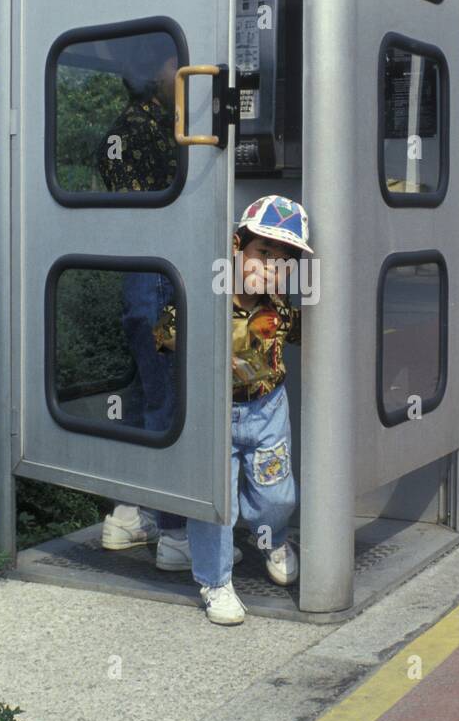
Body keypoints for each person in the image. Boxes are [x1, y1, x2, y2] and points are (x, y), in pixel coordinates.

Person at [152, 194, 312, 625]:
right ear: (236, 247)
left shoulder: (279, 307)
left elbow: (305, 332)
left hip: (267, 408)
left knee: (276, 493)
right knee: (217, 503)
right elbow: (165, 335)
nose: (271, 266)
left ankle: (273, 537)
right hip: (216, 410)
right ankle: (216, 581)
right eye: (263, 252)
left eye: (284, 259)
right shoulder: (209, 296)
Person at [95, 36, 188, 560]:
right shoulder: (152, 132)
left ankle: (134, 513)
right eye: (178, 64)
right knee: (171, 406)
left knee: (150, 398)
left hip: (140, 283)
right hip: (159, 281)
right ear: (155, 74)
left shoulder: (129, 130)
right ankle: (176, 533)